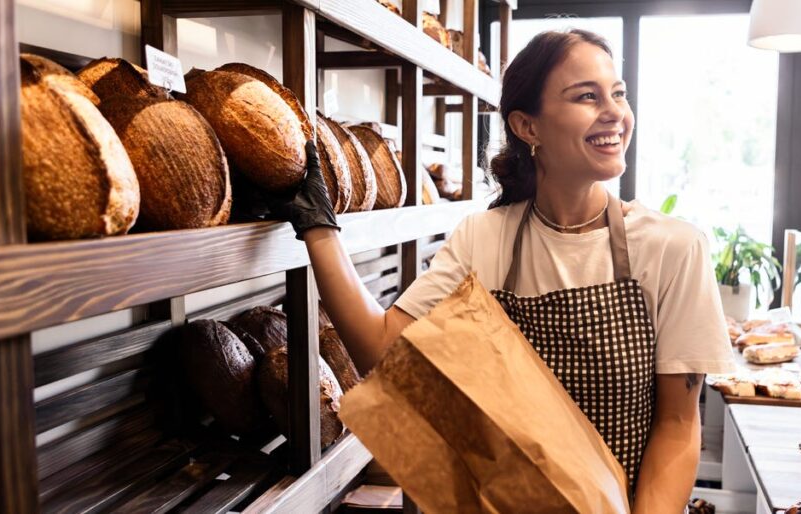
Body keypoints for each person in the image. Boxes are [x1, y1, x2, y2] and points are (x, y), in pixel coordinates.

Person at [280, 29, 735, 513]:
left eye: (618, 94)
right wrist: (319, 229)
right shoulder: (484, 239)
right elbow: (385, 351)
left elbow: (679, 425)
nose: (616, 113)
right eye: (587, 96)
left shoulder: (674, 248)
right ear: (528, 126)